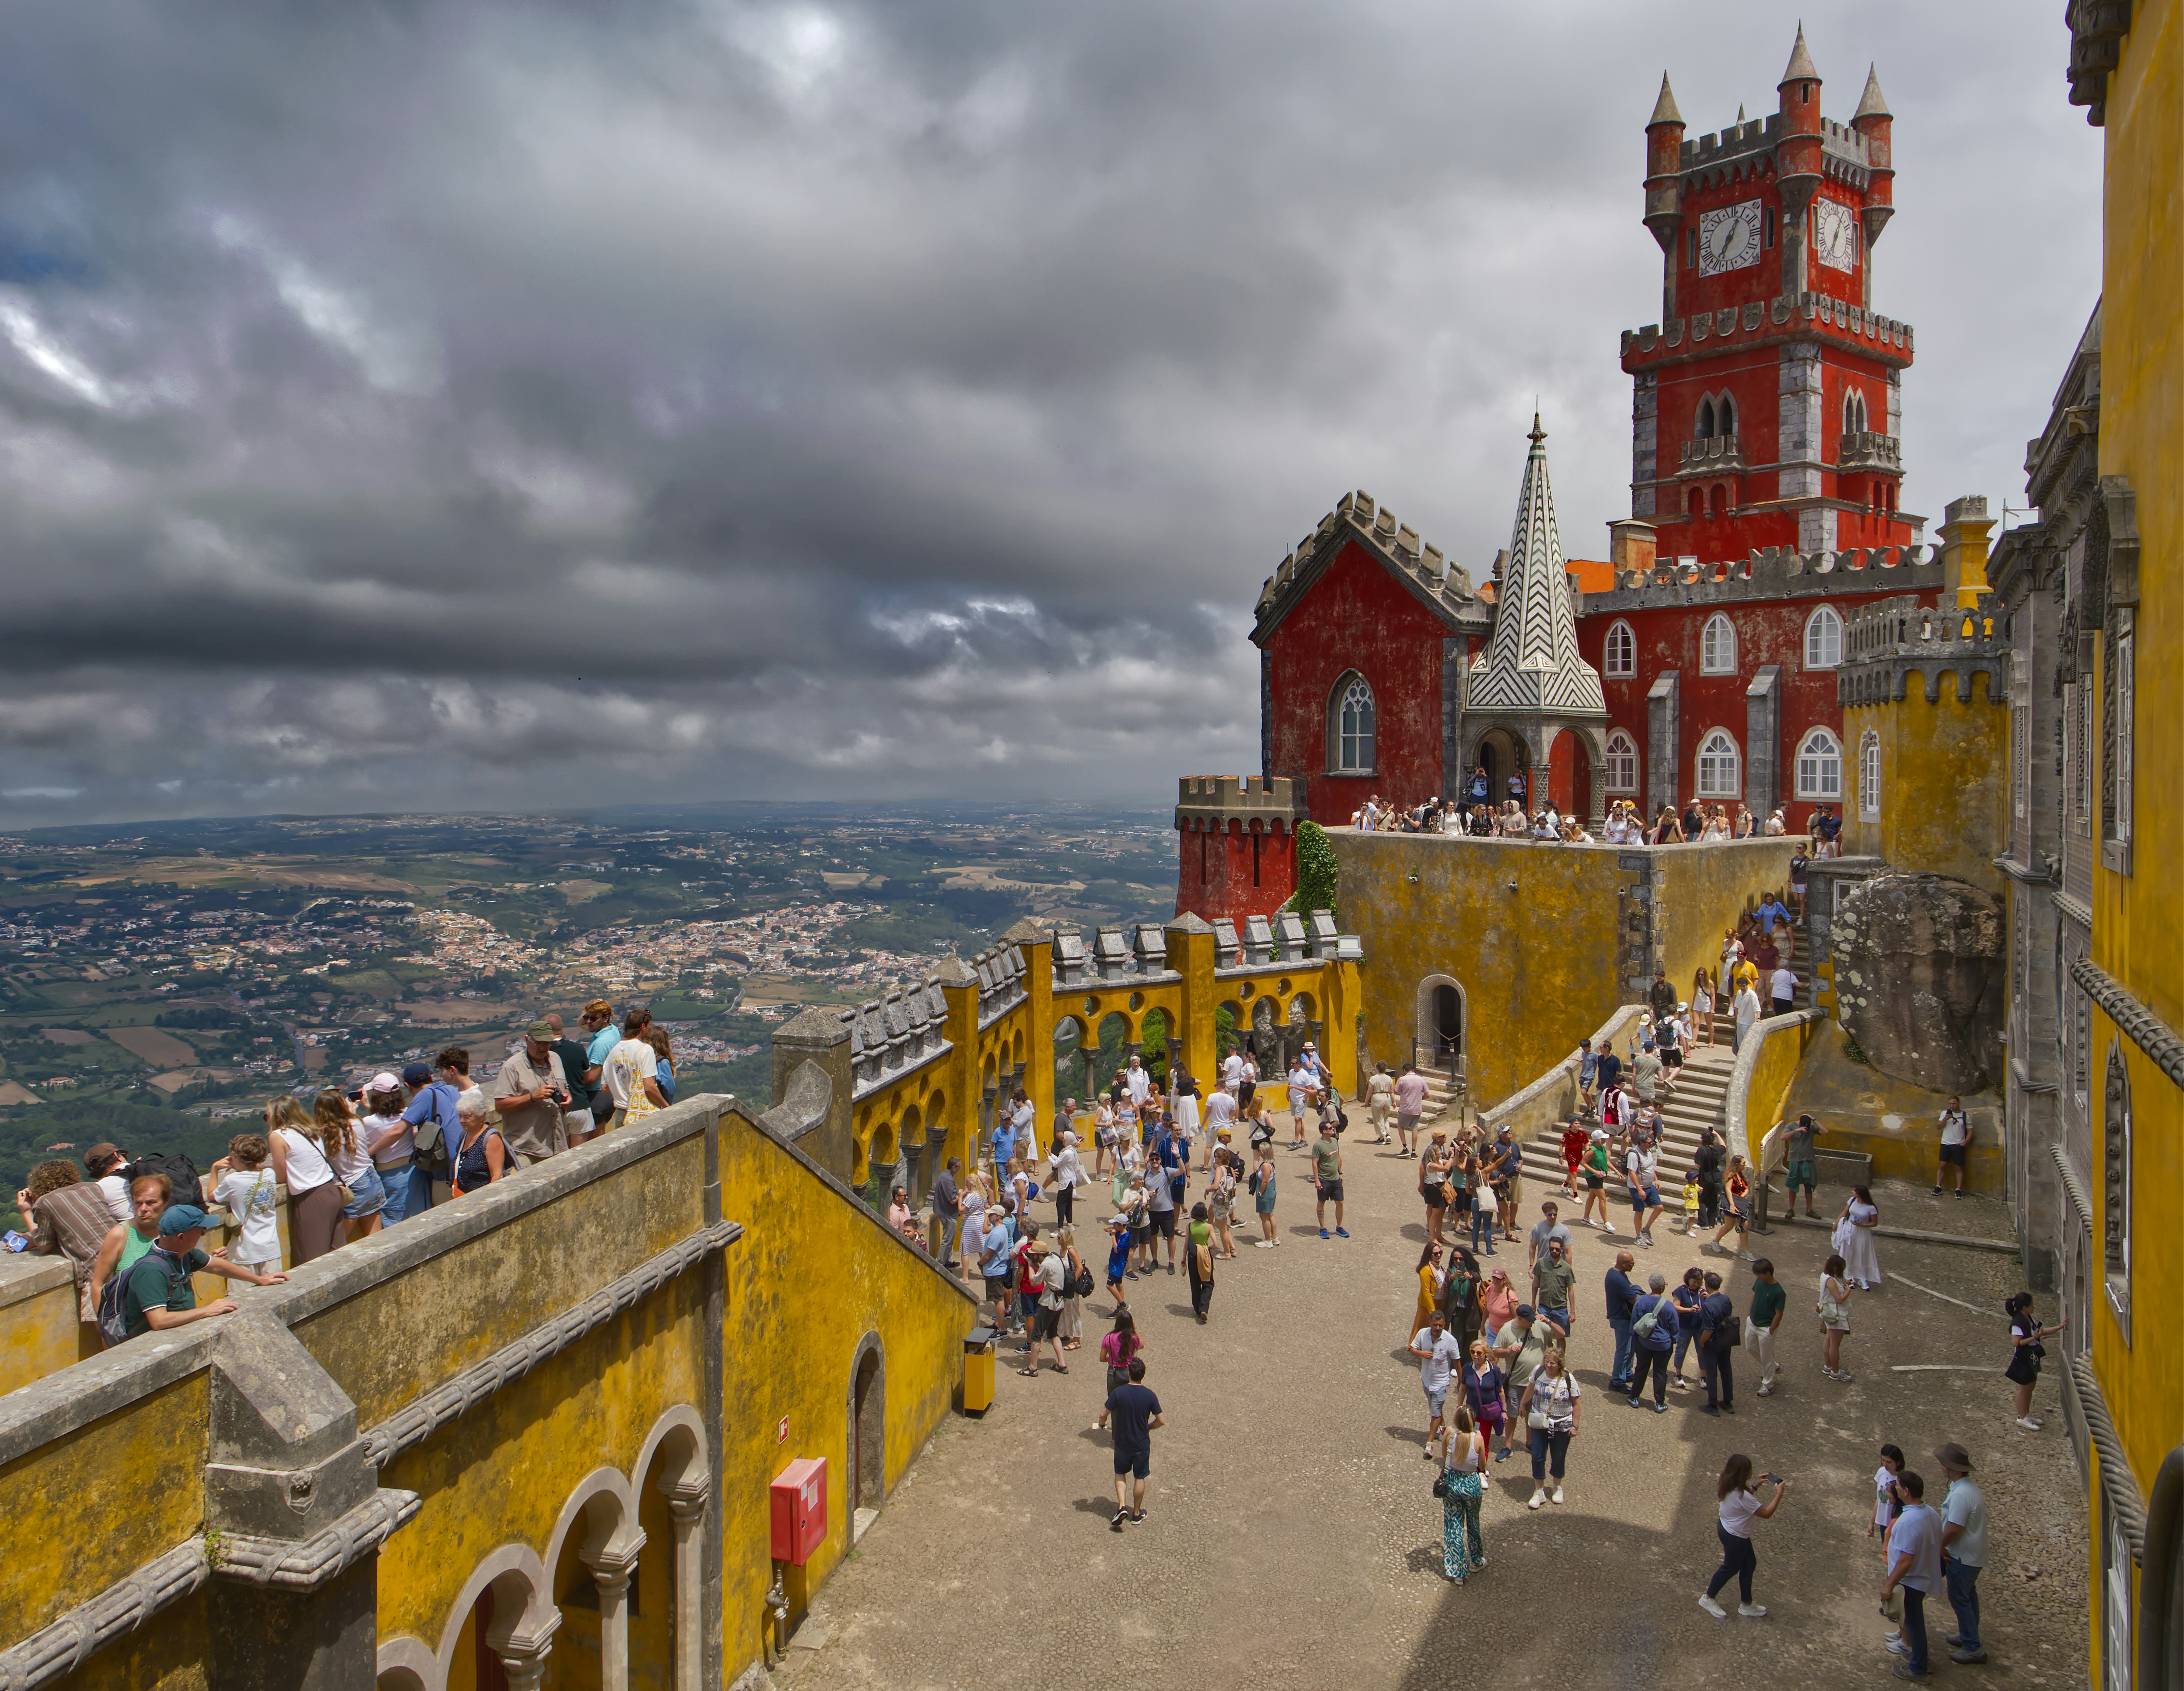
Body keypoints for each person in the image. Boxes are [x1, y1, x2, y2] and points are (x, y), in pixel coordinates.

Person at [115, 1203, 285, 1342]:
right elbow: (159, 1321)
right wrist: (207, 1311)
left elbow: (217, 1266)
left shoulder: (184, 1253)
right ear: (181, 1237)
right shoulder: (151, 1271)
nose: (204, 1233)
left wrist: (259, 1279)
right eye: (200, 1230)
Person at [17, 1159, 124, 1346]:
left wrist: (27, 1211)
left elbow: (44, 1244)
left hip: (97, 1273)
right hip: (124, 1259)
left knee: (110, 1338)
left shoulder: (45, 1203)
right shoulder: (93, 1188)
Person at [1698, 1455, 1789, 1618]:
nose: (1753, 1471)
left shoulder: (1729, 1484)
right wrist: (1779, 1494)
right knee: (1730, 1568)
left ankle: (1747, 1604)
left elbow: (1741, 1501)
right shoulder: (1744, 1496)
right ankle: (1708, 1598)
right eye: (1750, 1469)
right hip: (1736, 1537)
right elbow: (1766, 1514)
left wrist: (1756, 1485)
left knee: (1749, 1564)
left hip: (1728, 1529)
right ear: (1743, 1473)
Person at [1881, 1470, 1945, 1679]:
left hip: (1911, 1581)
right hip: (1922, 1576)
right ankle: (1917, 1657)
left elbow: (1906, 1560)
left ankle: (1918, 1668)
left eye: (1898, 1485)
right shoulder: (1931, 1513)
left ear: (1906, 1491)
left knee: (1915, 1624)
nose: (1895, 1488)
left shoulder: (1908, 1521)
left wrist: (1889, 1585)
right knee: (1912, 1621)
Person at [268, 1095, 343, 1264]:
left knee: (312, 1261)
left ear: (277, 1117)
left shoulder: (277, 1136)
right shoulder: (311, 1130)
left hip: (312, 1198)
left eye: (267, 1116)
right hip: (332, 1191)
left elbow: (280, 1176)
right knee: (337, 1256)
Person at [1933, 1443, 1987, 1665]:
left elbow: (1955, 1527)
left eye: (1943, 1465)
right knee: (1968, 1596)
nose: (1941, 1468)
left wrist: (1939, 1546)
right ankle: (1968, 1636)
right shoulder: (1965, 1489)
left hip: (1963, 1557)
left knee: (1959, 1598)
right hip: (1972, 1555)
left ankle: (1973, 1646)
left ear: (1951, 1467)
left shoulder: (1961, 1495)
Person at [205, 1134, 282, 1280]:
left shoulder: (233, 1180)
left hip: (245, 1252)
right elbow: (259, 1170)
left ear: (237, 1158)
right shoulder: (270, 1174)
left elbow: (212, 1195)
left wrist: (215, 1169)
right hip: (271, 1248)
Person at [493, 1020, 571, 1164]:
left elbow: (565, 1087)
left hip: (558, 1144)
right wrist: (532, 1097)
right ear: (527, 1039)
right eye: (538, 1043)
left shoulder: (556, 1059)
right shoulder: (512, 1067)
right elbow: (500, 1106)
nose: (543, 1048)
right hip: (526, 1150)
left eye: (547, 1043)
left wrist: (567, 1097)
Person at [1097, 1356, 1162, 1530]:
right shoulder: (1150, 1395)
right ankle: (1137, 1514)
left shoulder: (1119, 1393)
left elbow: (1103, 1414)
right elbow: (1161, 1420)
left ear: (1129, 1374)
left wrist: (1102, 1424)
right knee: (1140, 1477)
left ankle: (1122, 1507)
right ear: (1143, 1375)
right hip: (1141, 1444)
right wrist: (1149, 1427)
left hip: (1123, 1442)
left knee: (1120, 1473)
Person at [1514, 1344, 1581, 1509]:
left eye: (1553, 1363)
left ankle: (1557, 1487)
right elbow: (1531, 1388)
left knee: (1558, 1457)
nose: (1549, 1366)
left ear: (1560, 1364)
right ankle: (1539, 1491)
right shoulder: (1538, 1372)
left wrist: (1575, 1426)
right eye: (1547, 1361)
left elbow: (1576, 1404)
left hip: (1562, 1425)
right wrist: (1523, 1404)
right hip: (1540, 1422)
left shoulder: (1568, 1379)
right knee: (1537, 1456)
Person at [316, 1090, 386, 1244]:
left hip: (354, 1185)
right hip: (372, 1178)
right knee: (376, 1241)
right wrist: (350, 1110)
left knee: (337, 1244)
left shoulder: (323, 1135)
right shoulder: (356, 1122)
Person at [359, 1073, 423, 1228]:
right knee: (417, 1214)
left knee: (394, 1219)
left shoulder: (368, 1122)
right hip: (413, 1170)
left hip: (389, 1175)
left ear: (376, 1096)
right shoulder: (408, 1114)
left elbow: (378, 1123)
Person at [1438, 1404, 1488, 1584]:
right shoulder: (1478, 1438)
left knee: (1454, 1526)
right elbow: (1482, 1466)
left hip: (1453, 1484)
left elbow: (1445, 1457)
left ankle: (1457, 1571)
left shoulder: (1450, 1435)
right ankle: (1476, 1560)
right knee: (1473, 1523)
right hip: (1471, 1484)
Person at [1410, 1308, 1466, 1462]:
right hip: (1426, 1380)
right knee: (1435, 1408)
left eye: (1441, 1326)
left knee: (1435, 1413)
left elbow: (1457, 1362)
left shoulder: (1450, 1340)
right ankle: (1443, 1424)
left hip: (1442, 1383)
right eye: (1435, 1325)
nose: (1438, 1328)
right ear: (1430, 1324)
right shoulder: (1423, 1334)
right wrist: (1421, 1354)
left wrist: (1461, 1382)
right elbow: (1412, 1349)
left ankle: (1429, 1444)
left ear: (1444, 1325)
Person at [2004, 1291, 2064, 1430]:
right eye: (2032, 1305)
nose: (2034, 1307)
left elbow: (2041, 1331)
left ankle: (2027, 1413)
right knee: (2024, 1388)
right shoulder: (2018, 1323)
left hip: (2032, 1357)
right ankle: (2022, 1418)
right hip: (2024, 1358)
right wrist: (2034, 1338)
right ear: (2025, 1308)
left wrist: (2059, 1327)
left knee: (2031, 1386)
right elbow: (2017, 1342)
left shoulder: (2028, 1318)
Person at [543, 1012, 600, 1149]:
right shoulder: (578, 1049)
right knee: (579, 1155)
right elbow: (587, 1078)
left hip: (554, 1109)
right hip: (579, 1106)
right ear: (561, 1029)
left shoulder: (541, 1053)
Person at [602, 1010, 667, 1130]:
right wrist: (666, 1106)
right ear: (643, 1026)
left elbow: (605, 1088)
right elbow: (649, 1087)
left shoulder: (614, 1051)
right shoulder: (645, 1050)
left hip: (620, 1112)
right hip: (639, 1113)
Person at [1626, 1272, 1675, 1412]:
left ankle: (1634, 1397)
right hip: (1663, 1345)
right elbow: (1675, 1326)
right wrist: (1674, 1340)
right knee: (1660, 1372)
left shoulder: (1641, 1301)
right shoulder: (1668, 1306)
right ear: (1663, 1287)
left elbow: (1635, 1321)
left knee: (1641, 1369)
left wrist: (1636, 1337)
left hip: (1644, 1343)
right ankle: (1660, 1403)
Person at [1019, 1238, 1068, 1374]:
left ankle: (1033, 1368)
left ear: (1040, 1255)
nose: (1031, 1256)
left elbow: (1034, 1281)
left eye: (1033, 1255)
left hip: (1049, 1304)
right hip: (1060, 1303)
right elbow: (1045, 1273)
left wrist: (1030, 1265)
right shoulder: (1055, 1258)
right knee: (1053, 1333)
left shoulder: (1045, 1265)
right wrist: (1033, 1262)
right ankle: (1062, 1364)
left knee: (1036, 1335)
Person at [452, 1088, 511, 1195]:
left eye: (467, 1117)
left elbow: (497, 1176)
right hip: (463, 1197)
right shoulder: (464, 1135)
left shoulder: (491, 1138)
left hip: (482, 1198)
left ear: (482, 1116)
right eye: (460, 1116)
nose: (462, 1121)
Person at [1460, 1337, 1509, 1461]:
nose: (1475, 1355)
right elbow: (1462, 1389)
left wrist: (1504, 1411)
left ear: (1486, 1354)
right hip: (1472, 1412)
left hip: (1488, 1413)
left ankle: (1481, 1467)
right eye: (1473, 1352)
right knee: (1471, 1440)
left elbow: (1501, 1392)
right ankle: (1470, 1464)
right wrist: (1459, 1407)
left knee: (1483, 1440)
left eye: (1479, 1353)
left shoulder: (1494, 1371)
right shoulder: (1467, 1368)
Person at [1697, 1269, 1737, 1415]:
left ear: (1707, 1286)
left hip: (1712, 1343)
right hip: (1725, 1340)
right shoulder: (1726, 1299)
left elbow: (1708, 1329)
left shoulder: (1708, 1305)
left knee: (1712, 1374)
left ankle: (1713, 1405)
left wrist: (1702, 1342)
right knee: (1726, 1371)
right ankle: (1728, 1402)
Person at [1745, 1257, 1786, 1396]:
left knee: (1766, 1356)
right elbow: (1755, 1295)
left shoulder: (1779, 1292)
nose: (1757, 1276)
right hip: (1753, 1322)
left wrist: (1771, 1330)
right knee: (1750, 1347)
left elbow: (1779, 1313)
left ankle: (1768, 1384)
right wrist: (1750, 1313)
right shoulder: (1760, 1281)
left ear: (1768, 1273)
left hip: (1766, 1327)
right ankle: (1774, 1367)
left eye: (1759, 1274)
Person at [1834, 1185, 1883, 1289]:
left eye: (1855, 1191)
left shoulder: (1871, 1208)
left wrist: (1862, 1225)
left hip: (1863, 1232)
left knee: (1862, 1253)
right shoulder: (1852, 1200)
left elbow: (1875, 1223)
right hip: (1850, 1230)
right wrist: (1837, 1223)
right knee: (1849, 1253)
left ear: (1860, 1194)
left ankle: (1862, 1279)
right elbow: (1845, 1212)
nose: (1853, 1192)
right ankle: (1850, 1277)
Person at [1603, 1250, 1639, 1392]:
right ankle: (1617, 1380)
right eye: (1632, 1263)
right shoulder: (1617, 1278)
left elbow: (1630, 1288)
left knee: (1630, 1348)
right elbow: (1634, 1299)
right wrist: (1650, 1299)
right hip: (1620, 1318)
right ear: (1624, 1264)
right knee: (1623, 1351)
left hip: (1624, 1317)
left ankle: (1627, 1373)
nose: (1633, 1266)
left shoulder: (1618, 1274)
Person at [1819, 1252, 1855, 1381]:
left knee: (1829, 1340)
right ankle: (1835, 1372)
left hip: (1829, 1313)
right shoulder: (1831, 1281)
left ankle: (1828, 1366)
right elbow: (1839, 1300)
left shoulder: (1825, 1276)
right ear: (1835, 1268)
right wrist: (1848, 1290)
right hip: (1836, 1315)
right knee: (1834, 1345)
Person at [1780, 1113, 1824, 1218]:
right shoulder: (1792, 1126)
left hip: (1807, 1161)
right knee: (1793, 1185)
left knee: (1808, 1185)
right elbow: (1783, 1137)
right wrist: (1796, 1131)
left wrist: (1814, 1119)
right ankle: (1791, 1209)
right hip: (1794, 1160)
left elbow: (1825, 1131)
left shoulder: (1812, 1128)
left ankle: (1809, 1210)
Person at [1310, 1115, 1346, 1239]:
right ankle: (1322, 1228)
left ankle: (1339, 1227)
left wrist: (1340, 1173)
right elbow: (1315, 1163)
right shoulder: (1318, 1145)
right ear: (1324, 1131)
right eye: (1330, 1128)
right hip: (1324, 1180)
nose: (1333, 1129)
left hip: (1336, 1178)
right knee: (1322, 1202)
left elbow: (1338, 1157)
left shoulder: (1335, 1142)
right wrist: (1317, 1180)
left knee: (1340, 1202)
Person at [1669, 1266, 1706, 1390]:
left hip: (1700, 1328)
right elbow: (1675, 1306)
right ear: (1688, 1279)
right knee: (1681, 1351)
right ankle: (1678, 1375)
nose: (1696, 1285)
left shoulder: (1703, 1293)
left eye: (1699, 1282)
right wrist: (1689, 1310)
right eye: (1694, 1282)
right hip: (1685, 1327)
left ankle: (1704, 1377)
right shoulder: (1681, 1291)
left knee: (1702, 1352)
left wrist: (1709, 1299)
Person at [1532, 1237, 1576, 1338]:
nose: (1554, 1251)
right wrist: (1533, 1303)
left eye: (1557, 1249)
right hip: (1544, 1307)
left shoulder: (1567, 1268)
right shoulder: (1541, 1263)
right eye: (1552, 1249)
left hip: (1560, 1308)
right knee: (1543, 1336)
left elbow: (1571, 1290)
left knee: (1562, 1336)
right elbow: (1535, 1284)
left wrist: (1573, 1312)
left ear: (1562, 1250)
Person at [1711, 1156, 1752, 1259]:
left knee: (1744, 1227)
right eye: (1743, 1163)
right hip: (1733, 1203)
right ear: (1737, 1164)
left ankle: (1746, 1252)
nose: (1745, 1165)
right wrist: (1732, 1205)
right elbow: (1728, 1190)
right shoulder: (1731, 1175)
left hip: (1740, 1204)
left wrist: (1744, 1194)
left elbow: (1746, 1187)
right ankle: (1715, 1241)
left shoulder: (1740, 1175)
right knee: (1729, 1226)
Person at [1420, 1129, 1455, 1246]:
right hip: (1433, 1187)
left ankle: (1438, 1235)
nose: (1446, 1137)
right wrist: (1422, 1184)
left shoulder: (1439, 1154)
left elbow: (1453, 1163)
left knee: (1440, 1212)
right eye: (1443, 1136)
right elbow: (1423, 1167)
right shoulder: (1431, 1154)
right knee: (1434, 1211)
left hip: (1441, 1187)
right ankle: (1431, 1235)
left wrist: (1456, 1155)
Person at [1932, 1097, 1972, 1197]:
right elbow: (1938, 1127)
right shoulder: (1945, 1114)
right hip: (1946, 1144)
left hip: (1958, 1145)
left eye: (1954, 1104)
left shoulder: (1965, 1116)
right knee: (1942, 1165)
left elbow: (1971, 1131)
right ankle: (1938, 1187)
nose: (1952, 1106)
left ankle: (1959, 1189)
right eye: (1950, 1104)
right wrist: (1946, 1119)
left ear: (1959, 1103)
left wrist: (1965, 1143)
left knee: (1959, 1167)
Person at [1043, 1129, 1084, 1226]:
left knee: (1060, 1205)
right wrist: (1050, 1153)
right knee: (1068, 1204)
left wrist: (1048, 1156)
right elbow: (1060, 1160)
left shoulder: (1067, 1153)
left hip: (1066, 1181)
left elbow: (1056, 1164)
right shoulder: (1070, 1151)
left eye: (1064, 1139)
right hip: (1070, 1181)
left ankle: (1060, 1228)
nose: (1063, 1140)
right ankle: (1070, 1225)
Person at [1184, 1202, 1215, 1323]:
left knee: (1195, 1282)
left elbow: (1186, 1244)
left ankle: (1197, 1310)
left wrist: (1183, 1258)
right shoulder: (1209, 1227)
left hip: (1193, 1256)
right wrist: (1209, 1248)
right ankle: (1204, 1308)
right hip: (1205, 1255)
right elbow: (1217, 1245)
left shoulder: (1190, 1226)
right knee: (1208, 1282)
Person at [1100, 1307, 1141, 1396]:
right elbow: (1142, 1345)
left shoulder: (1109, 1338)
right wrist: (1135, 1330)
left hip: (1113, 1373)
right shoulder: (1133, 1338)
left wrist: (1112, 1358)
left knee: (1113, 1400)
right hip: (1129, 1372)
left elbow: (1102, 1358)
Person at [1578, 1128, 1613, 1232]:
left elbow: (1607, 1161)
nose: (1605, 1140)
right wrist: (1595, 1172)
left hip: (1600, 1176)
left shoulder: (1602, 1148)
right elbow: (1583, 1163)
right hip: (1593, 1177)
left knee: (1592, 1196)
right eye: (1603, 1138)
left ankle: (1586, 1218)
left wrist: (1616, 1171)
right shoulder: (1592, 1151)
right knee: (1603, 1198)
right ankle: (1606, 1223)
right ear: (1599, 1140)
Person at [1412, 1243, 1445, 1349]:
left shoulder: (1440, 1267)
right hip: (1429, 1304)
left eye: (1440, 1253)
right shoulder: (1426, 1270)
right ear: (1429, 1255)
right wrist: (1432, 1310)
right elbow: (1426, 1291)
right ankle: (1417, 1348)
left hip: (1440, 1301)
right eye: (1436, 1254)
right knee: (1424, 1327)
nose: (1439, 1255)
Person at [1393, 1063, 1427, 1157]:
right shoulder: (1421, 1079)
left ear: (1404, 1071)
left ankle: (1405, 1148)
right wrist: (1420, 1099)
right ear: (1413, 1070)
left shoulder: (1403, 1080)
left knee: (1400, 1126)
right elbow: (1427, 1094)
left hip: (1406, 1109)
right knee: (1415, 1129)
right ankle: (1414, 1152)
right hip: (1417, 1109)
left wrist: (1399, 1079)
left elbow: (1396, 1091)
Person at [1250, 1145, 1279, 1247]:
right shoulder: (1271, 1163)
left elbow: (1265, 1181)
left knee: (1264, 1217)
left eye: (1260, 1150)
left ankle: (1268, 1240)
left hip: (1266, 1194)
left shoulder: (1266, 1166)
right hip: (1271, 1192)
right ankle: (1275, 1238)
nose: (1258, 1152)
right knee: (1271, 1214)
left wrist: (1260, 1193)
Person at [1732, 976, 1761, 1053]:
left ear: (1747, 985)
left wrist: (1758, 1019)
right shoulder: (1739, 993)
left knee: (1748, 1043)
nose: (1742, 988)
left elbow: (1757, 1008)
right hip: (1740, 1021)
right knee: (1740, 1043)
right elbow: (1737, 1007)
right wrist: (1736, 1018)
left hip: (1748, 1023)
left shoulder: (1752, 995)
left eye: (1744, 986)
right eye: (1741, 986)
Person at [1692, 969, 1716, 1047]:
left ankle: (1711, 1041)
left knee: (1709, 1024)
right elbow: (1695, 994)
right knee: (1696, 1023)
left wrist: (1713, 1008)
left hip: (1707, 1004)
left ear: (1705, 975)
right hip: (1697, 1003)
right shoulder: (1697, 982)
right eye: (1699, 974)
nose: (1700, 976)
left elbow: (1713, 996)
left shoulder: (1710, 983)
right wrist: (1693, 1005)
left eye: (1702, 974)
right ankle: (1694, 1042)